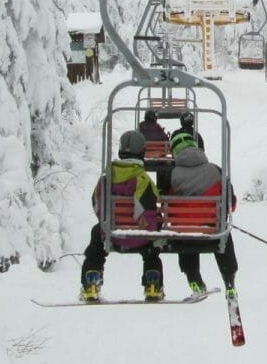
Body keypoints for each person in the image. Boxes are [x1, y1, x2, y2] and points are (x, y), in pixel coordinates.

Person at [82, 129, 165, 302]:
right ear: (142, 152)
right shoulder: (143, 180)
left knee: (96, 236)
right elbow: (149, 210)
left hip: (113, 235)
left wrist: (108, 224)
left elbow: (97, 204)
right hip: (141, 238)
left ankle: (91, 279)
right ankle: (153, 282)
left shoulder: (107, 178)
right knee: (152, 248)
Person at [163, 141, 239, 295]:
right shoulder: (215, 170)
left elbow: (167, 204)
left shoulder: (172, 173)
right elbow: (230, 203)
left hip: (183, 235)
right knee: (223, 233)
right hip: (211, 232)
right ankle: (229, 282)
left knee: (184, 229)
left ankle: (194, 279)